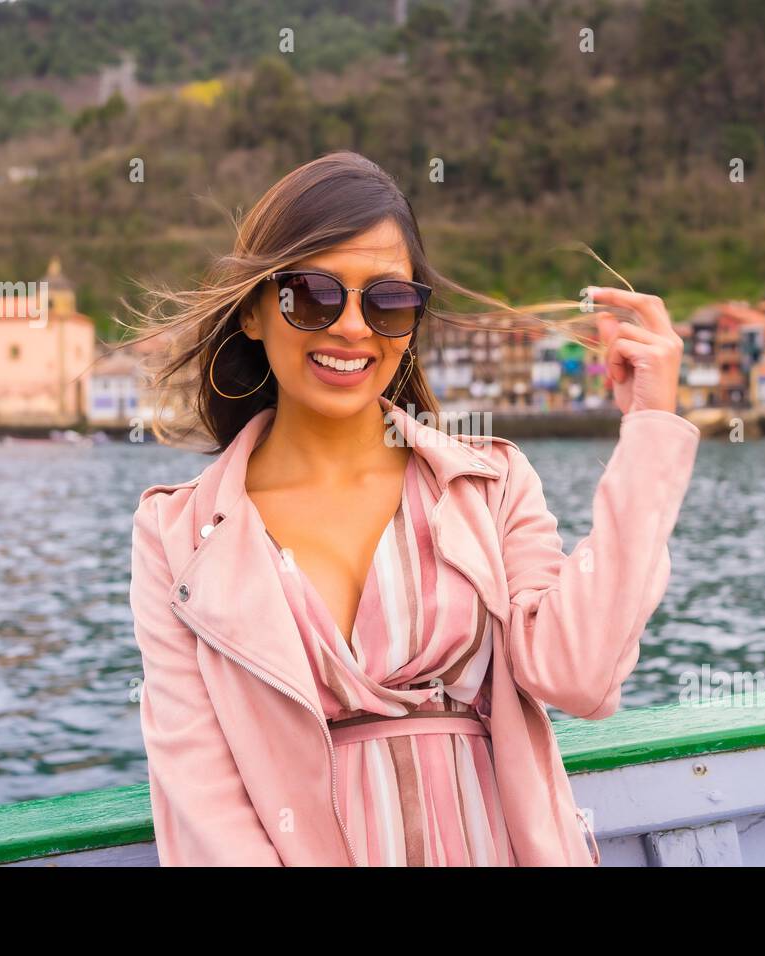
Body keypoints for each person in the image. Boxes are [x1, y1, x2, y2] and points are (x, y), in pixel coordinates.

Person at [126, 151, 699, 866]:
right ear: (251, 310)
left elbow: (579, 673)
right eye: (311, 295)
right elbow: (204, 801)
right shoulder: (175, 538)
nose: (353, 328)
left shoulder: (489, 484)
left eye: (388, 301)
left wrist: (650, 433)